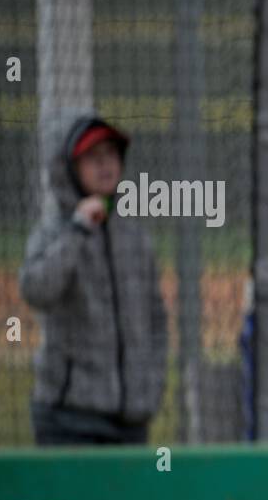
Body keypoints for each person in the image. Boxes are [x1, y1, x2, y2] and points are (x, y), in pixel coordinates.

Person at [19, 113, 168, 446]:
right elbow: (35, 290)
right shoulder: (55, 232)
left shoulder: (135, 238)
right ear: (71, 167)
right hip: (69, 419)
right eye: (93, 156)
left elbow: (156, 319)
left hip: (130, 420)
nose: (106, 164)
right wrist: (78, 230)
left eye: (112, 154)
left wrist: (150, 385)